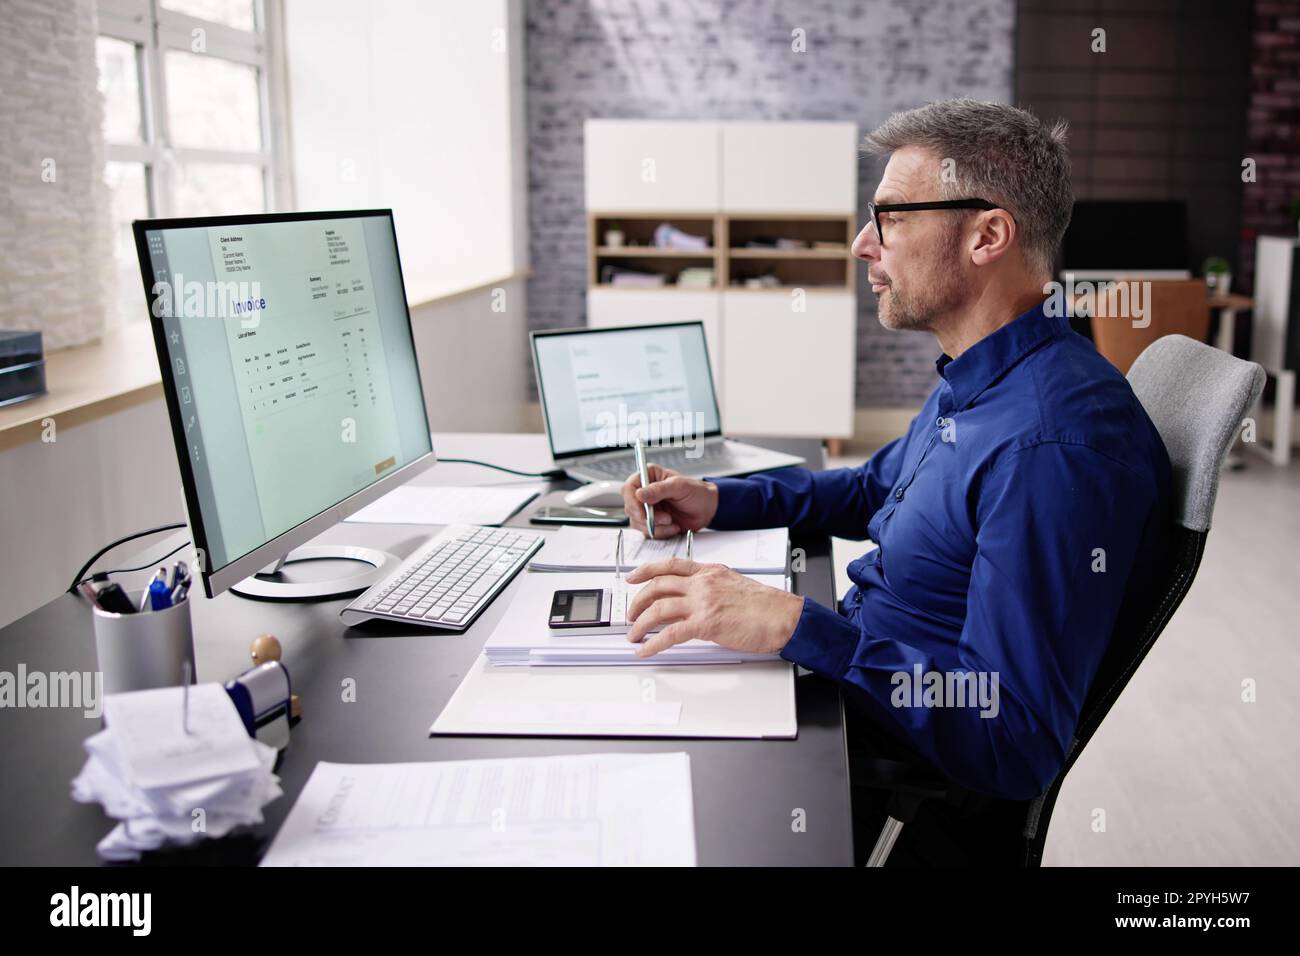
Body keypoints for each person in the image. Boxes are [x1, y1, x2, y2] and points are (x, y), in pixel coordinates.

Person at [618, 100, 1172, 857]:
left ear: (988, 236)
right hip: (854, 686)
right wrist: (718, 500)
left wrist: (794, 626)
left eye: (892, 217)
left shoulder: (1052, 446)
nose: (861, 244)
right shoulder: (983, 375)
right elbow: (875, 487)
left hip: (882, 766)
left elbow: (1012, 735)